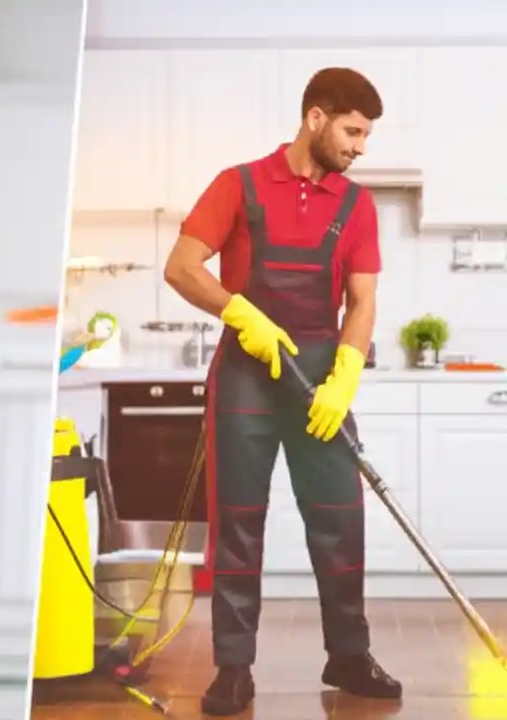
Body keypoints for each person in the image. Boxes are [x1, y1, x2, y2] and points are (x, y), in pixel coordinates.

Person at [163, 67, 400, 716]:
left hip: (320, 379)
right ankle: (233, 670)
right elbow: (181, 267)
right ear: (316, 118)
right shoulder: (237, 185)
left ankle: (349, 657)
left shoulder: (357, 206)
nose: (360, 147)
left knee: (340, 521)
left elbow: (363, 298)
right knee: (239, 525)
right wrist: (239, 312)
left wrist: (345, 375)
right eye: (353, 130)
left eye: (367, 135)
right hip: (246, 374)